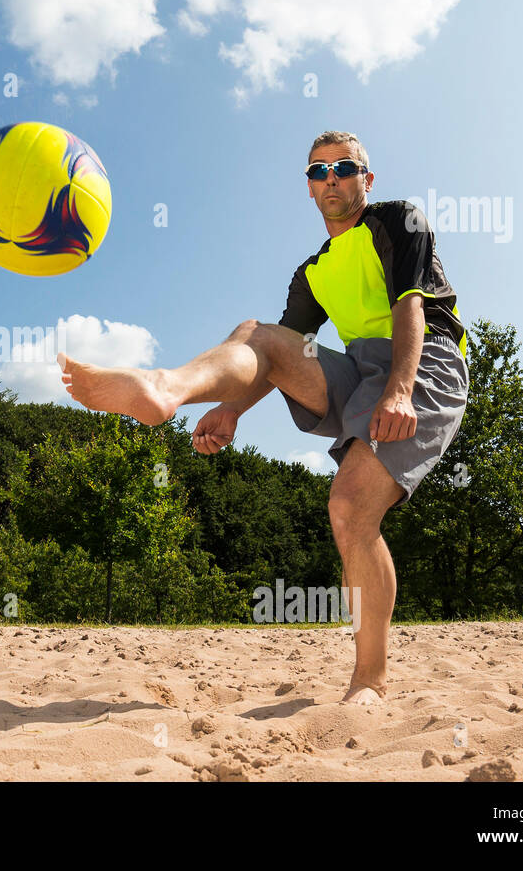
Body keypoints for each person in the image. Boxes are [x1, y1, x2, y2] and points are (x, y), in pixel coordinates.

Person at [56, 130, 469, 705]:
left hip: (420, 361)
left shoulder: (399, 220)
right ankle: (165, 387)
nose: (331, 178)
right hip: (358, 370)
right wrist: (231, 410)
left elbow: (410, 306)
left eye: (344, 168)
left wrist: (399, 389)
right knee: (258, 332)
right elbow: (270, 357)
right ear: (307, 187)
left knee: (350, 508)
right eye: (318, 170)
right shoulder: (313, 271)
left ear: (366, 180)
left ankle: (370, 678)